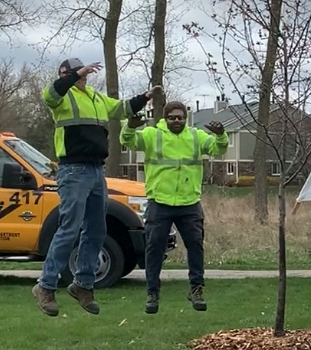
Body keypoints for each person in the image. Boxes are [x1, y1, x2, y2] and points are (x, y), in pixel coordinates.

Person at [32, 58, 157, 317]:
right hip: (73, 170)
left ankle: (83, 284)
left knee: (97, 229)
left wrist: (144, 97)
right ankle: (45, 286)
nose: (82, 76)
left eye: (83, 73)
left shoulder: (97, 99)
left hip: (96, 170)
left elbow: (122, 108)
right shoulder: (60, 98)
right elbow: (51, 92)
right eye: (75, 73)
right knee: (69, 228)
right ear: (65, 74)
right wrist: (74, 73)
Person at [120, 101, 228, 313]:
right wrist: (131, 126)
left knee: (195, 245)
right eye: (172, 117)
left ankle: (196, 289)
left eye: (180, 117)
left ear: (185, 118)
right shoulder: (153, 135)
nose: (176, 121)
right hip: (160, 202)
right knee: (154, 248)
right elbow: (128, 141)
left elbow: (217, 148)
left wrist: (221, 135)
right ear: (165, 118)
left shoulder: (196, 136)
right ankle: (152, 292)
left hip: (189, 202)